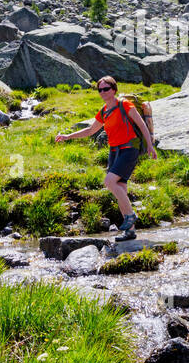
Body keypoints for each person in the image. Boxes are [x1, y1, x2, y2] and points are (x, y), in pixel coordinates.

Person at [55, 75, 156, 241]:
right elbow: (89, 130)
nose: (103, 92)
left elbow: (141, 124)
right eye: (100, 89)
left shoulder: (124, 104)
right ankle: (130, 231)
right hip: (114, 151)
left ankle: (130, 215)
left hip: (129, 148)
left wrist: (150, 145)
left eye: (106, 89)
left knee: (109, 182)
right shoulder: (104, 111)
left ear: (114, 90)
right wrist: (67, 136)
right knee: (120, 187)